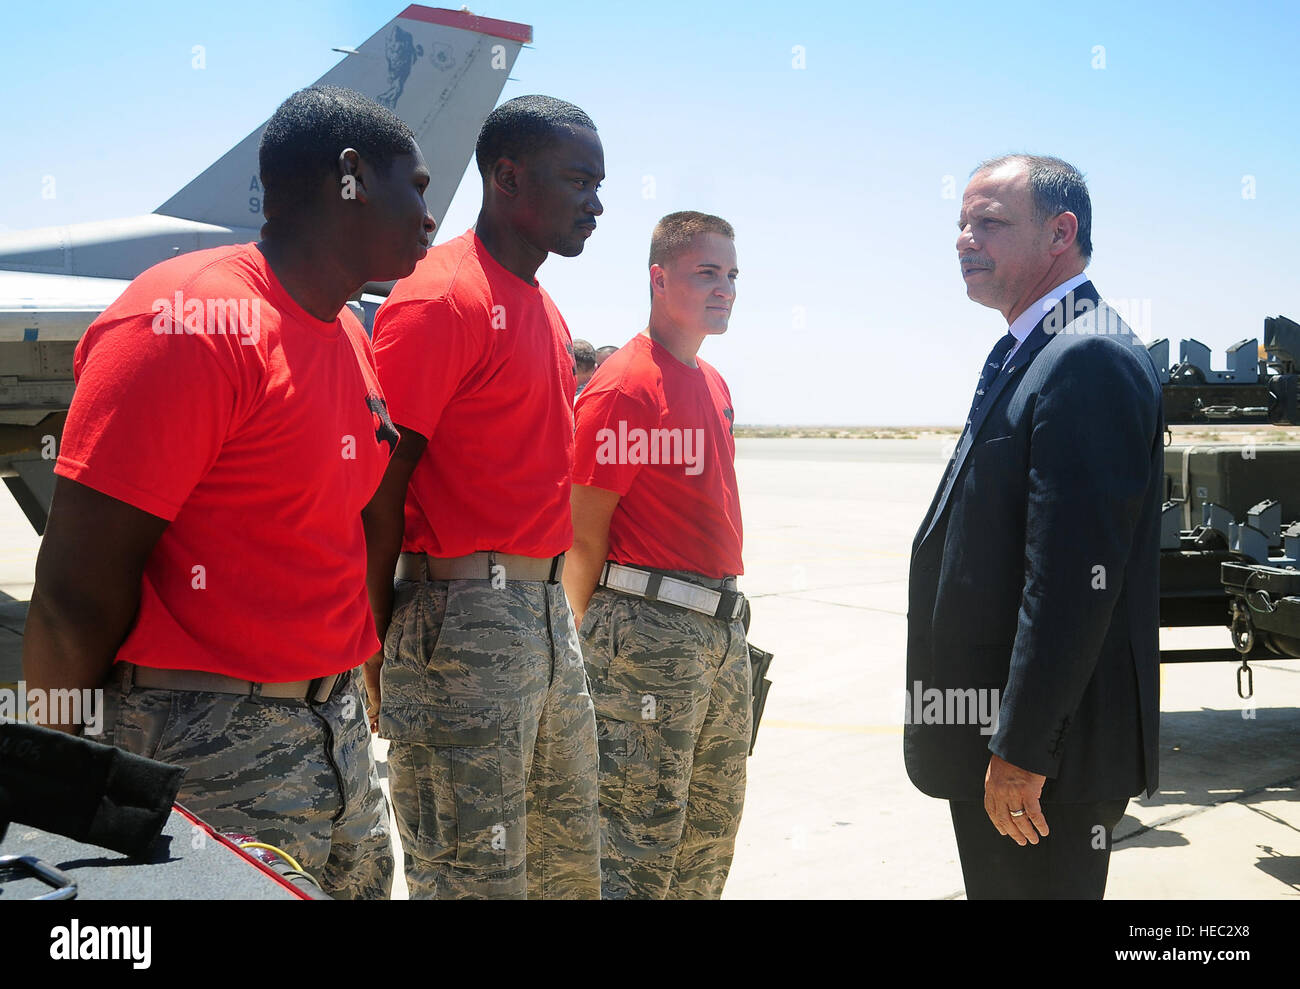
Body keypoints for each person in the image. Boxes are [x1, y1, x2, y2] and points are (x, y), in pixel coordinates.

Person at [21, 85, 435, 899]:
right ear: (350, 176)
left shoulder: (347, 334)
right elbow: (73, 593)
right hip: (208, 750)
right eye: (416, 187)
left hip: (337, 740)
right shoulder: (188, 320)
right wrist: (52, 793)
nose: (430, 216)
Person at [364, 94, 604, 899]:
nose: (596, 204)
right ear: (508, 176)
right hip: (460, 623)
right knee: (473, 880)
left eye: (599, 185)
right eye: (579, 181)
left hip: (545, 617)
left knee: (568, 873)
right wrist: (372, 646)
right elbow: (379, 488)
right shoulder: (442, 298)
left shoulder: (544, 307)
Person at [904, 154, 1163, 899]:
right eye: (962, 223)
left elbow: (1073, 583)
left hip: (1043, 765)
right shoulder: (1040, 347)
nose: (965, 239)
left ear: (1060, 233)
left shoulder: (1086, 358)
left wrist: (1021, 749)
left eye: (989, 222)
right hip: (1011, 748)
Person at [565, 211, 749, 899]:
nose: (725, 288)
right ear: (659, 278)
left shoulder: (714, 384)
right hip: (645, 634)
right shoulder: (624, 387)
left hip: (720, 632)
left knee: (707, 840)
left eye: (732, 275)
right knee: (633, 847)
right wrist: (574, 655)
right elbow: (582, 537)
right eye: (707, 273)